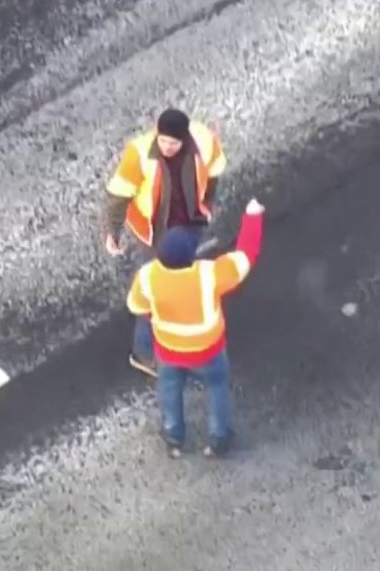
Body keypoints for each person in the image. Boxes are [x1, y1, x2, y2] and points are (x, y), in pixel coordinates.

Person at [126, 198, 265, 459]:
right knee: (217, 387)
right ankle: (219, 438)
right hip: (208, 351)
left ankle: (174, 437)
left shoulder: (148, 276)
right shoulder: (207, 275)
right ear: (192, 254)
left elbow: (136, 306)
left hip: (168, 351)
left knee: (169, 389)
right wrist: (252, 216)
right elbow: (245, 256)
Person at [102, 108, 227, 378]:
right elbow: (118, 195)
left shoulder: (204, 141)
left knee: (174, 286)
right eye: (162, 141)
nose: (166, 147)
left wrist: (207, 205)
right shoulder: (139, 153)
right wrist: (111, 230)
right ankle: (144, 353)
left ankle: (167, 337)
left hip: (188, 228)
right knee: (154, 293)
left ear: (185, 138)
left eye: (173, 143)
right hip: (153, 235)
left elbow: (215, 172)